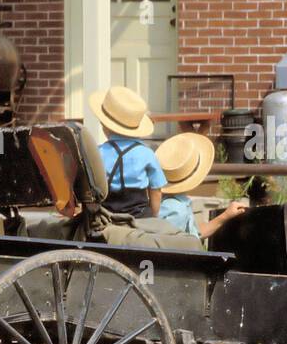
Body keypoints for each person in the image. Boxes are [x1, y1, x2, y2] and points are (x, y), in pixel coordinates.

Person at [89, 85, 166, 219]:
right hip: (139, 214)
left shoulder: (98, 152)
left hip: (106, 214)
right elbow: (156, 190)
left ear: (106, 126)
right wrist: (154, 216)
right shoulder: (147, 153)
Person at [155, 132, 247, 242]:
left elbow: (195, 234)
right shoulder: (177, 211)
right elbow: (174, 248)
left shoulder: (168, 202)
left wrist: (226, 215)